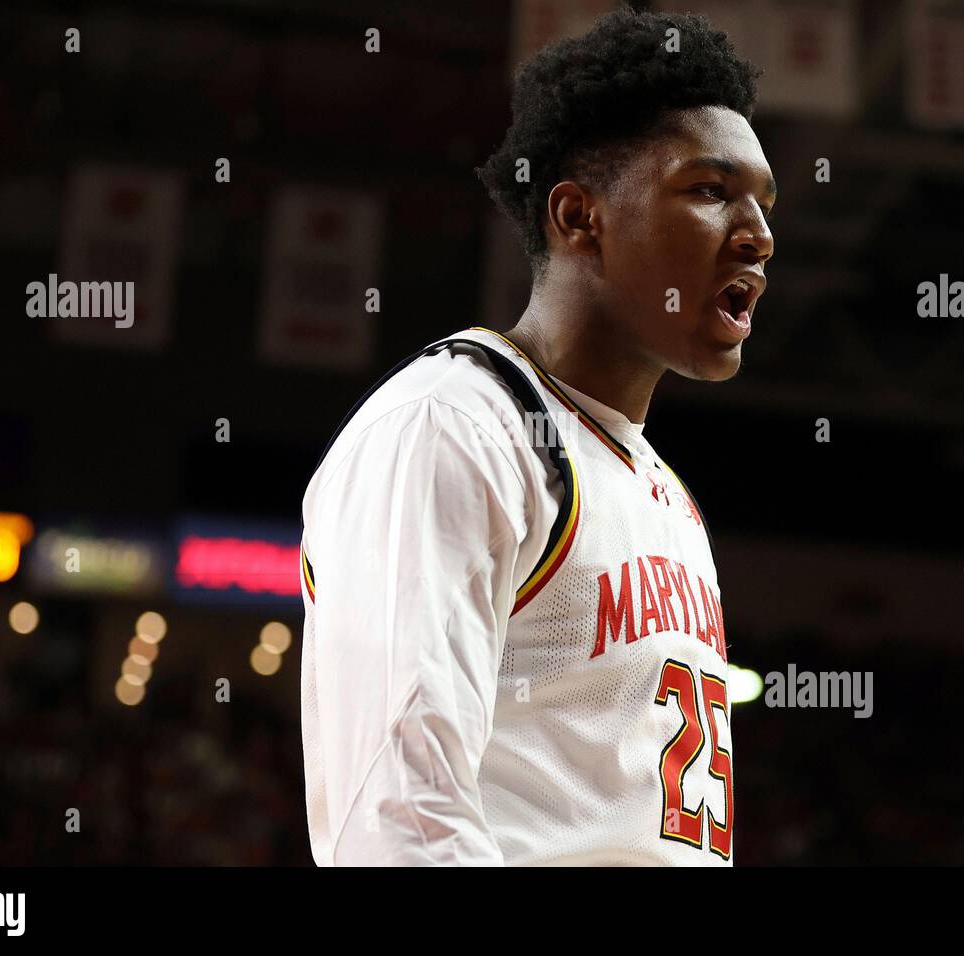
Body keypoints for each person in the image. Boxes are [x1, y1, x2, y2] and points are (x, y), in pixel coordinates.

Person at [300, 5, 774, 866]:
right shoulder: (453, 424)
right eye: (711, 191)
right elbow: (397, 819)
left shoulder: (664, 492)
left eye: (764, 204)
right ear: (578, 216)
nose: (759, 236)